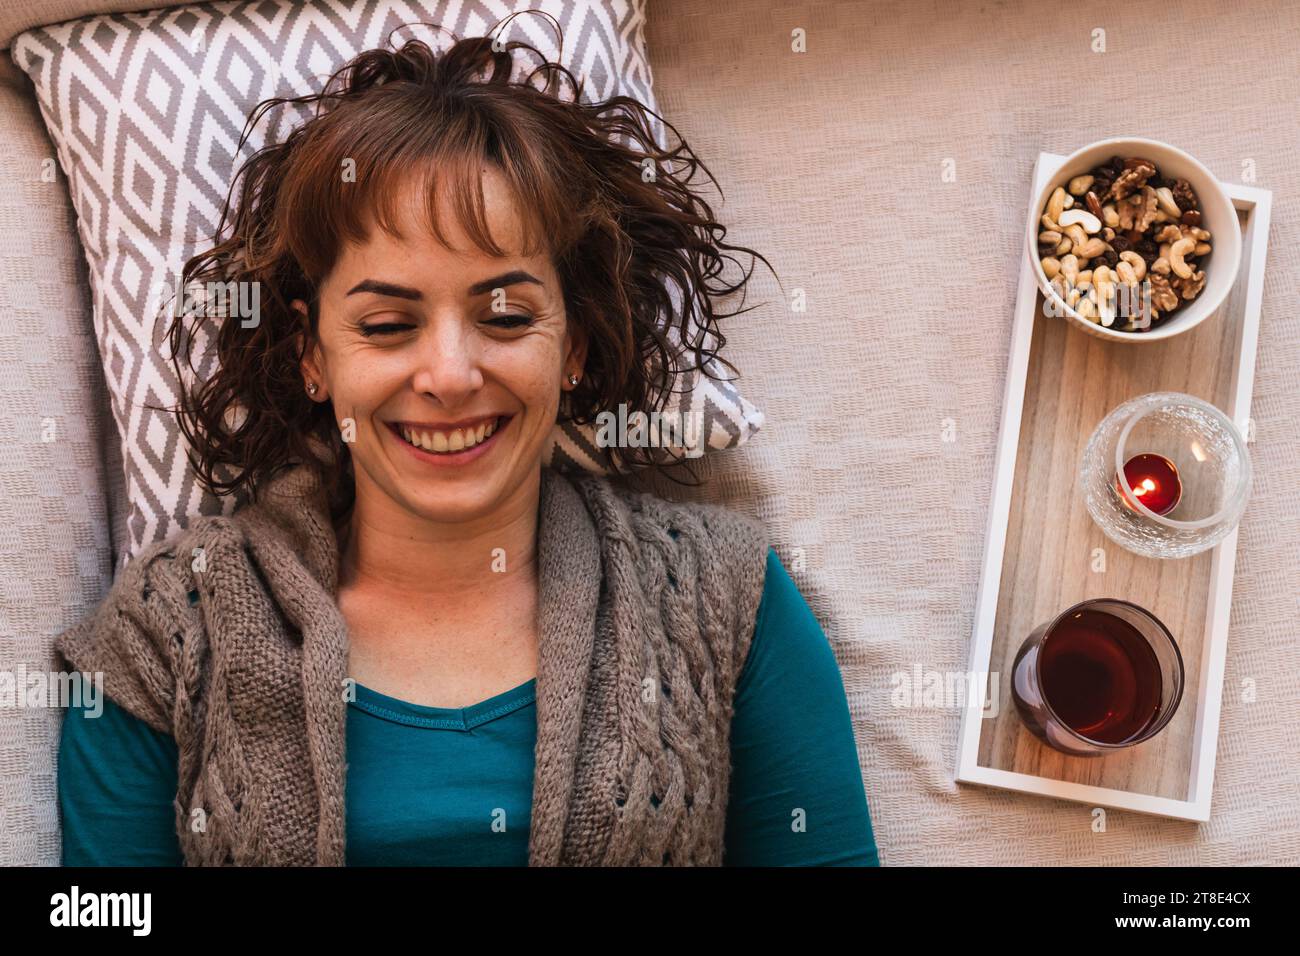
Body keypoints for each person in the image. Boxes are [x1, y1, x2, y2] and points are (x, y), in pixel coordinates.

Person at [54, 28, 878, 867]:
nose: (449, 374)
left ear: (577, 344)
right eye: (387, 325)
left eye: (507, 316)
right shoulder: (163, 641)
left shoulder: (727, 604)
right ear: (311, 355)